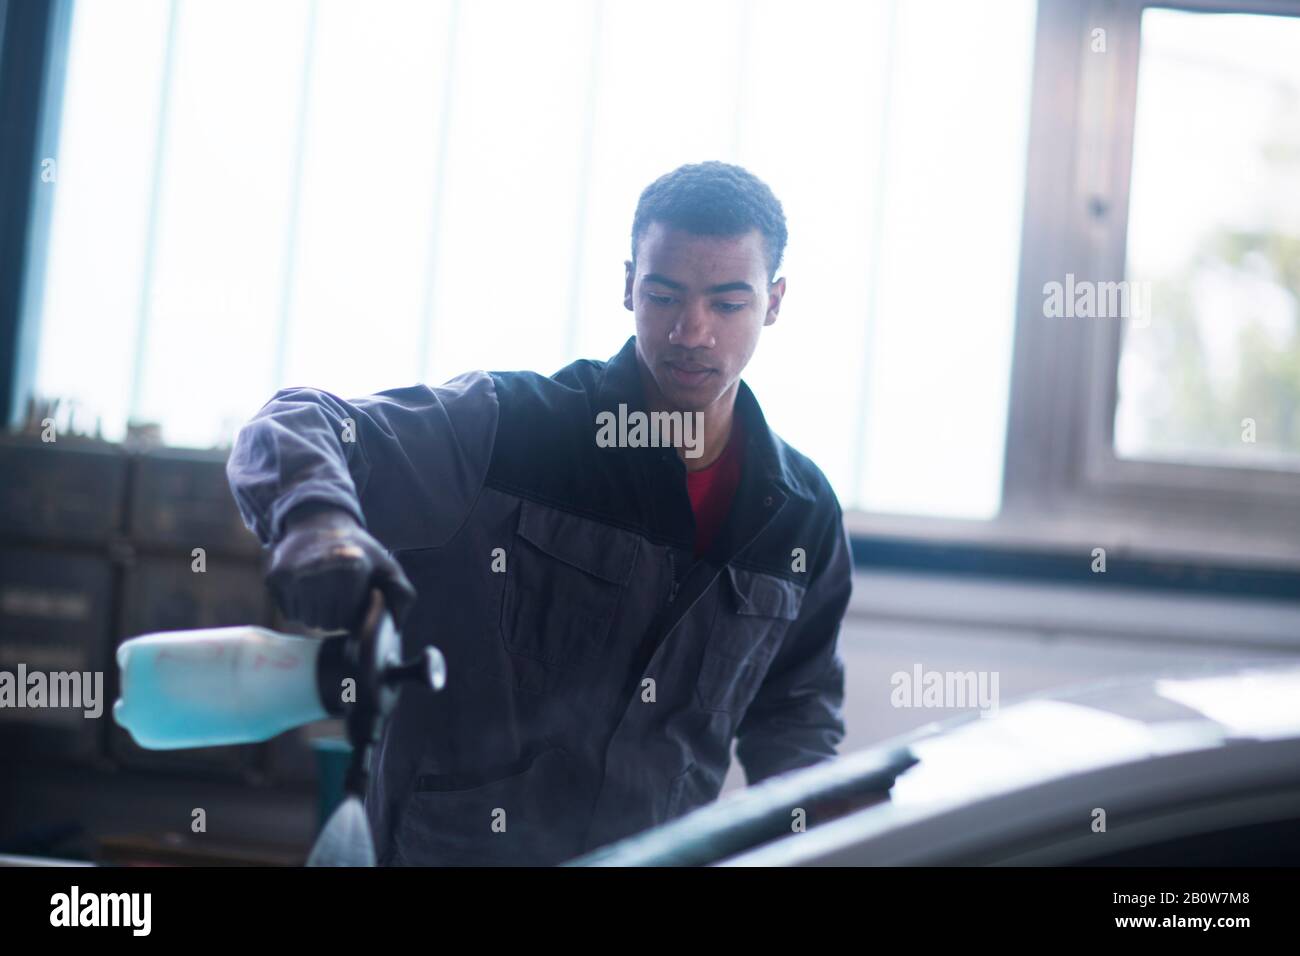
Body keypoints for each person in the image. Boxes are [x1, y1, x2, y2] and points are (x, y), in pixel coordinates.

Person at [226, 160, 853, 866]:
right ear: (627, 286)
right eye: (663, 294)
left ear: (774, 301)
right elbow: (296, 424)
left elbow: (796, 715)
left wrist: (819, 835)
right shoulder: (511, 433)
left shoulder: (798, 517)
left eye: (727, 304)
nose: (691, 331)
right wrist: (318, 529)